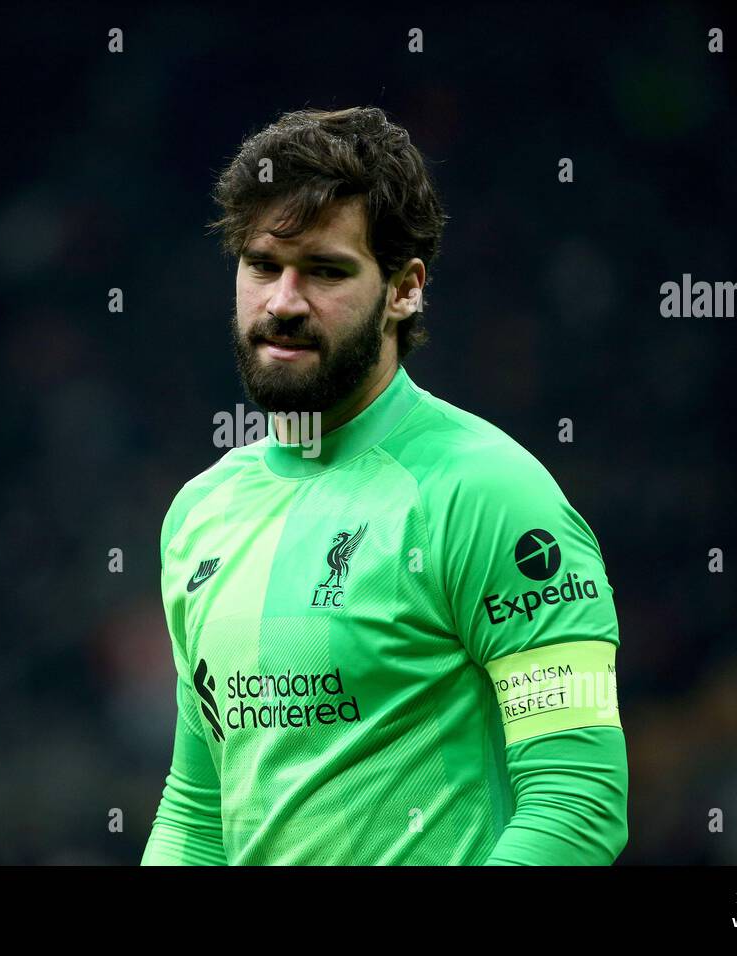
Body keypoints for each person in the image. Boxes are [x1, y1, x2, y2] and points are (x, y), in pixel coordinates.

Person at [140, 106, 627, 865]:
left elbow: (577, 801)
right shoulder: (199, 514)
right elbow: (199, 813)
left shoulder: (489, 492)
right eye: (263, 265)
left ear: (404, 289)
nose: (283, 301)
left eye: (326, 271)